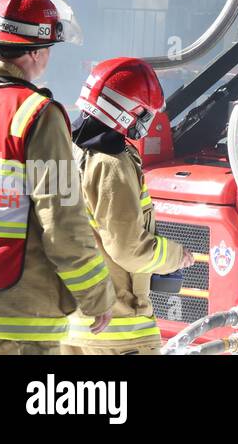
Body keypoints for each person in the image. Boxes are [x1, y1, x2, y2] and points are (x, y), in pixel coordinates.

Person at [0, 0, 115, 354]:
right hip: (21, 319)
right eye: (50, 48)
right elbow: (63, 220)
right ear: (35, 53)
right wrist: (96, 293)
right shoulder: (39, 115)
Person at [61, 57, 193, 355]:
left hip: (69, 325)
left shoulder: (63, 149)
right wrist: (176, 257)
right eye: (143, 115)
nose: (143, 124)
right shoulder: (111, 165)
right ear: (126, 111)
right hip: (117, 332)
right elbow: (129, 249)